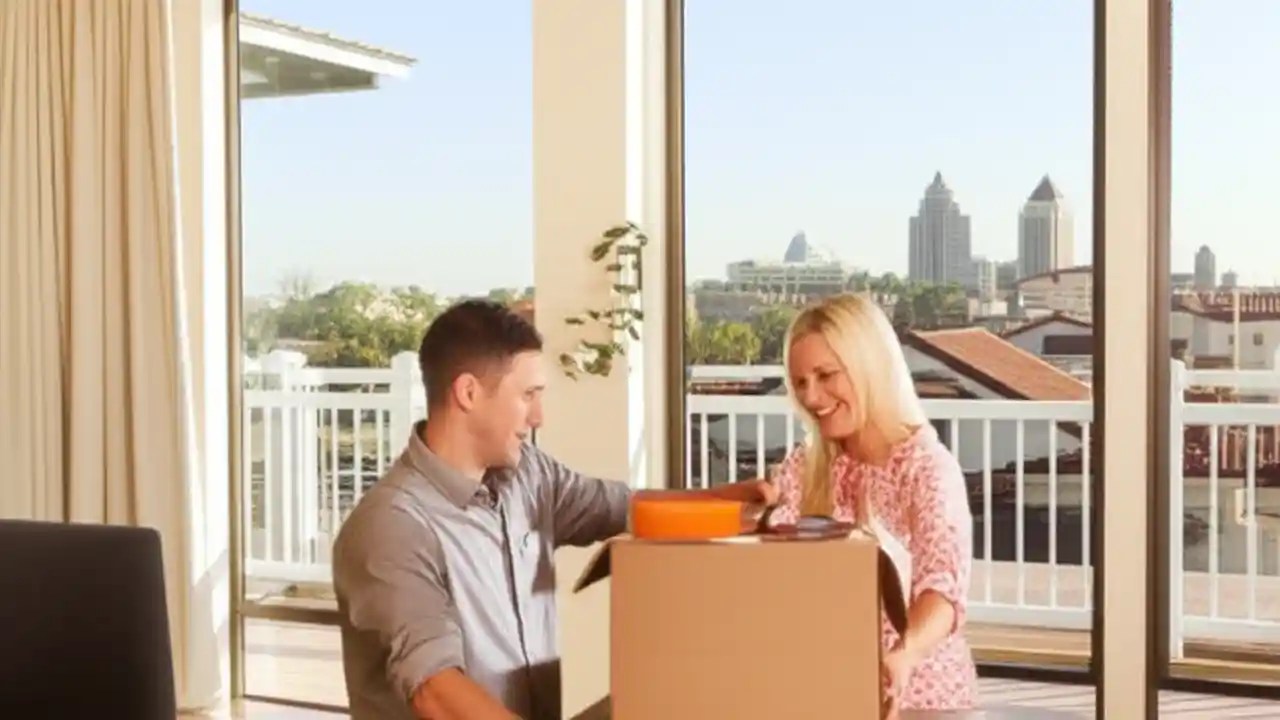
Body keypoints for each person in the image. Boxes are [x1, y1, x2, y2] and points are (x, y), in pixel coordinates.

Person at [332, 299, 777, 720]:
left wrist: (736, 498)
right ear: (468, 393)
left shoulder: (528, 477)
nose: (539, 416)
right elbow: (435, 688)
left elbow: (627, 508)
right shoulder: (392, 527)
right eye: (528, 395)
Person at [767, 292, 978, 713]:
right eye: (801, 383)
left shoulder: (927, 469)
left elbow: (942, 591)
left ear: (870, 368)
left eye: (826, 375)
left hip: (921, 697)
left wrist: (905, 654)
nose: (811, 397)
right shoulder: (808, 465)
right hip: (826, 691)